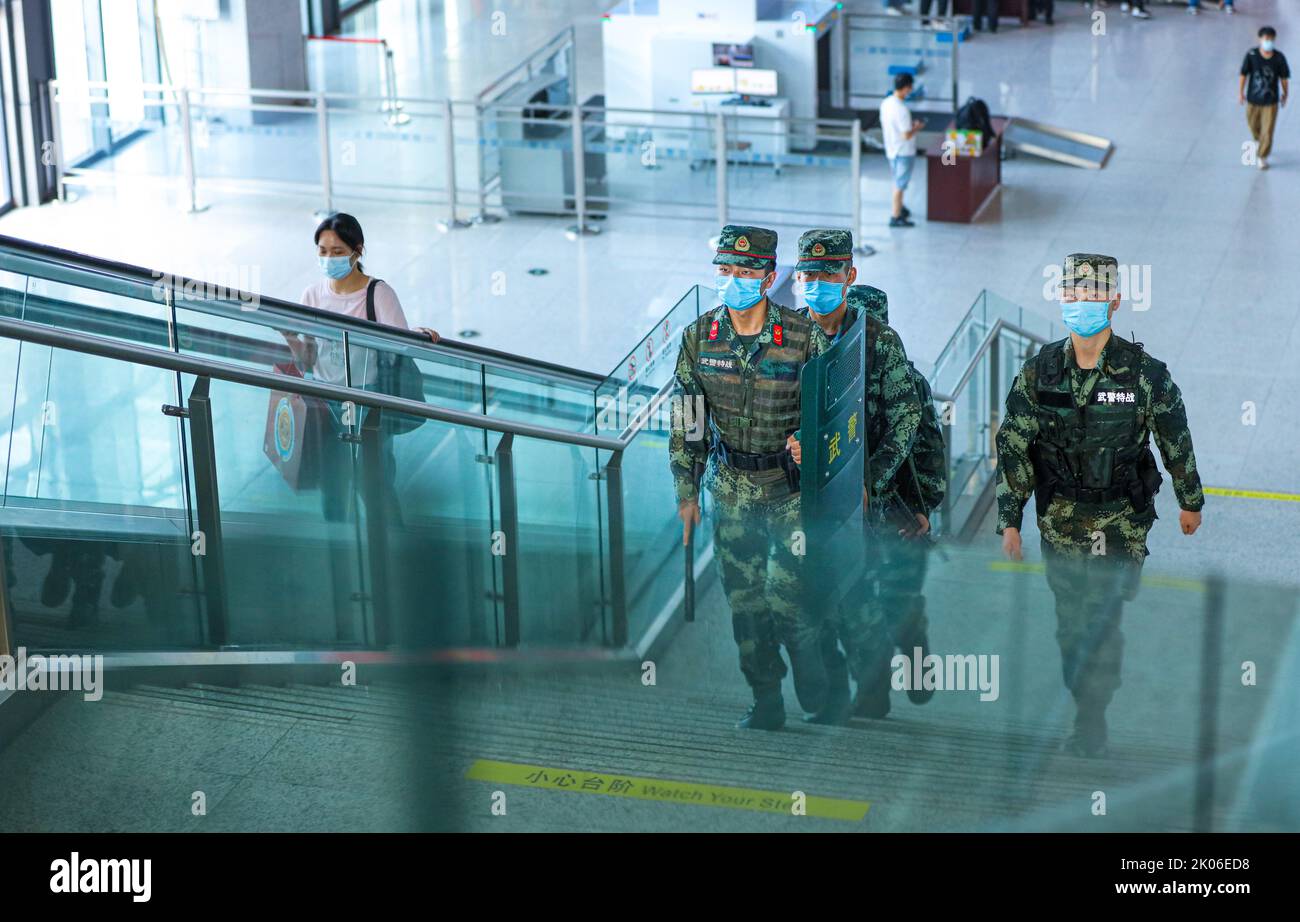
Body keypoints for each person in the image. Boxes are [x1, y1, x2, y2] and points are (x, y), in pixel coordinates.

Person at [995, 254, 1204, 758]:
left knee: (1102, 620)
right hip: (1060, 523)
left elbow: (1176, 438)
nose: (1080, 304)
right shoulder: (1039, 374)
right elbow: (1014, 448)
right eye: (1072, 294)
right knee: (1071, 624)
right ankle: (1084, 696)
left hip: (1120, 526)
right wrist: (1010, 521)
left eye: (1091, 296)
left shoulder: (1144, 374)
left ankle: (1092, 718)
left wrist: (1189, 501)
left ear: (1112, 301)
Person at [669, 225, 831, 731]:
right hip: (731, 492)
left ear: (767, 277)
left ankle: (813, 679)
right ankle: (766, 700)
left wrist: (815, 440)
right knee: (745, 606)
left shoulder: (804, 338)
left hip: (790, 496)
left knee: (788, 601)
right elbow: (688, 422)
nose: (732, 280)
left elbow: (837, 412)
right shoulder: (699, 339)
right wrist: (686, 492)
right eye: (725, 270)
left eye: (744, 271)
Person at [790, 230, 924, 724]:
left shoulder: (878, 341)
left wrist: (870, 479)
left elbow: (906, 414)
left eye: (828, 274)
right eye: (808, 275)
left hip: (860, 501)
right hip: (800, 497)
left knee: (859, 604)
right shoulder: (786, 336)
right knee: (808, 600)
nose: (816, 284)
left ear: (850, 276)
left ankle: (873, 693)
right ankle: (831, 698)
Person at [287, 213, 439, 521]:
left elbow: (400, 346)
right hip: (325, 398)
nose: (328, 258)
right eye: (323, 250)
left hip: (367, 399)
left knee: (374, 480)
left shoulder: (377, 293)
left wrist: (420, 336)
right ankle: (340, 542)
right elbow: (308, 360)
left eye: (338, 252)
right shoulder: (312, 295)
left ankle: (390, 540)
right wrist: (290, 336)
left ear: (357, 251)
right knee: (332, 480)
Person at [845, 284, 947, 718]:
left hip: (898, 515)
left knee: (898, 598)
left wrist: (926, 508)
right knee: (856, 604)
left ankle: (915, 648)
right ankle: (871, 691)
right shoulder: (833, 377)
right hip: (850, 515)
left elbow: (928, 449)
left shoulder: (909, 382)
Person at [1240, 27, 1289, 171]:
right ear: (1260, 39)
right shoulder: (1251, 55)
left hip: (1270, 101)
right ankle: (1259, 140)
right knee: (1253, 125)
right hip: (1253, 100)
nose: (1269, 42)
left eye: (1271, 40)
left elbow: (1284, 78)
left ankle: (1262, 156)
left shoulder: (1279, 58)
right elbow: (1243, 74)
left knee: (1268, 130)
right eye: (1266, 39)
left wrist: (1285, 94)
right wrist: (1240, 92)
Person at [880, 74, 924, 228]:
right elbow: (906, 135)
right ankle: (896, 216)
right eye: (910, 87)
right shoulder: (902, 109)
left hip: (891, 149)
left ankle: (899, 207)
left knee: (897, 180)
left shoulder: (886, 103)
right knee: (900, 184)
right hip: (903, 151)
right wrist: (917, 127)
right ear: (906, 88)